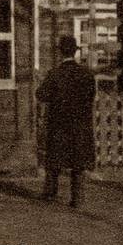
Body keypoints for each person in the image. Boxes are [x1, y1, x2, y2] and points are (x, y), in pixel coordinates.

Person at [37, 35, 97, 208]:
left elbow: (40, 95)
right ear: (75, 52)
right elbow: (91, 97)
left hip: (59, 125)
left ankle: (50, 193)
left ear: (60, 52)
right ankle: (77, 198)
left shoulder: (55, 74)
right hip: (80, 125)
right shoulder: (86, 74)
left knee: (54, 160)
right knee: (78, 163)